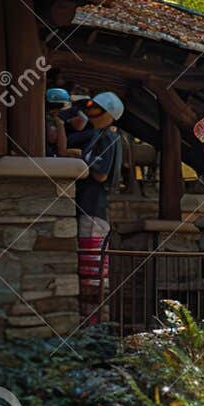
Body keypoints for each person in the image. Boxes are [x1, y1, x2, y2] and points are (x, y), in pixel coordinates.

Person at [72, 92, 124, 323]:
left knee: (92, 273)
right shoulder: (97, 135)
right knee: (89, 271)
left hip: (93, 211)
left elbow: (101, 174)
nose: (92, 112)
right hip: (91, 210)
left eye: (97, 108)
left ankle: (93, 327)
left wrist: (80, 161)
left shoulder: (107, 138)